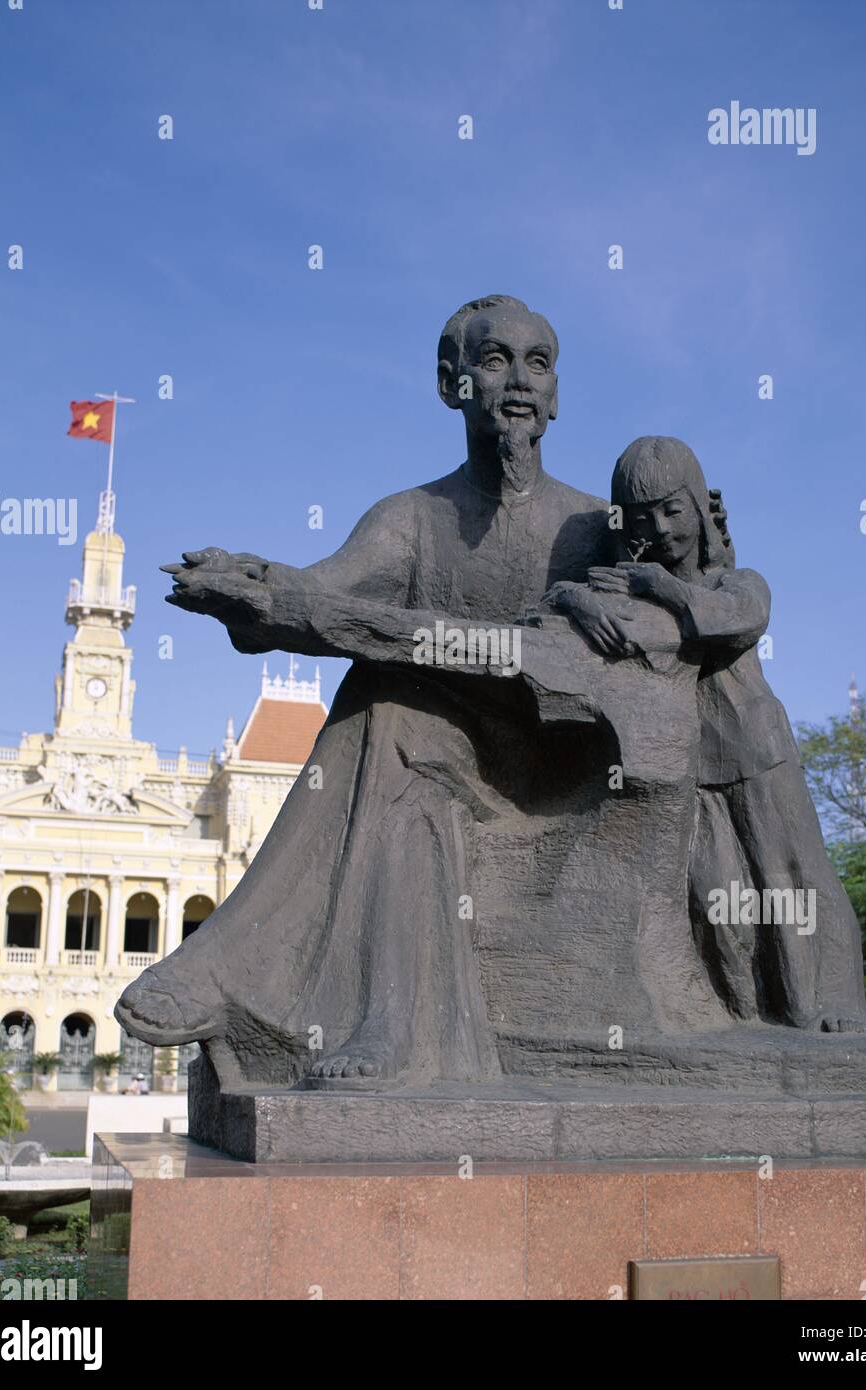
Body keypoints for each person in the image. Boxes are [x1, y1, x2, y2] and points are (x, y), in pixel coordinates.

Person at [116, 295, 624, 1089]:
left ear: (556, 395)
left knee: (395, 705)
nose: (519, 382)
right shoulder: (411, 519)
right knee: (388, 705)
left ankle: (284, 988)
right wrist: (255, 589)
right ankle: (387, 1025)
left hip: (564, 771)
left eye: (539, 364)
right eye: (495, 362)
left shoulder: (595, 526)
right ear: (451, 384)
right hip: (437, 758)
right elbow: (323, 595)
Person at [583, 436, 866, 1031]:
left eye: (672, 509)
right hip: (688, 764)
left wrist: (661, 589)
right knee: (715, 897)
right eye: (642, 516)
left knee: (793, 876)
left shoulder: (735, 585)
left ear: (699, 506)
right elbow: (580, 616)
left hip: (758, 753)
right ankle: (741, 1013)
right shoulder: (630, 588)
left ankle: (832, 1004)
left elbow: (737, 619)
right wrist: (577, 595)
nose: (660, 527)